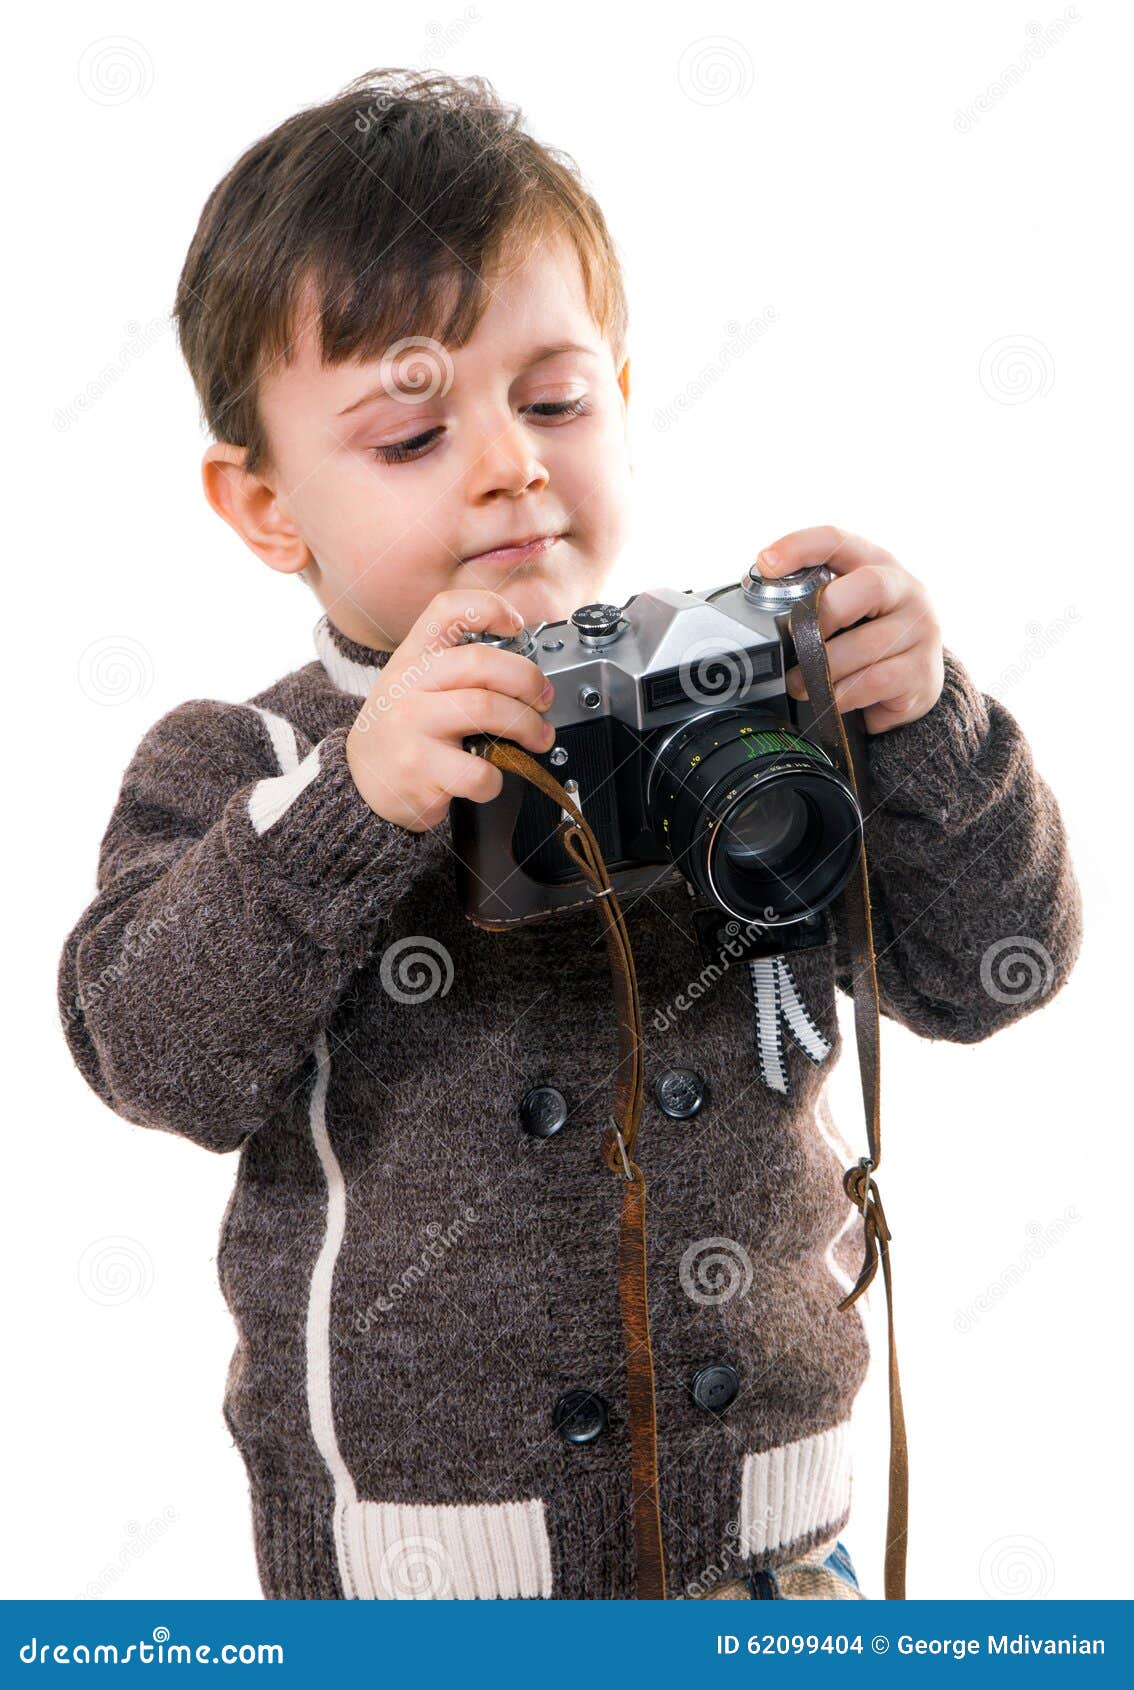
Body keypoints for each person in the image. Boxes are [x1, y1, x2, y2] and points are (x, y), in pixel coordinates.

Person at [57, 67, 1083, 1601]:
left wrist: (918, 720)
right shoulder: (252, 759)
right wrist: (361, 799)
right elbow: (153, 1052)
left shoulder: (741, 693)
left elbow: (987, 974)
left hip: (777, 1559)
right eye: (410, 438)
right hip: (422, 1585)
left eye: (553, 400)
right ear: (265, 507)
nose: (509, 464)